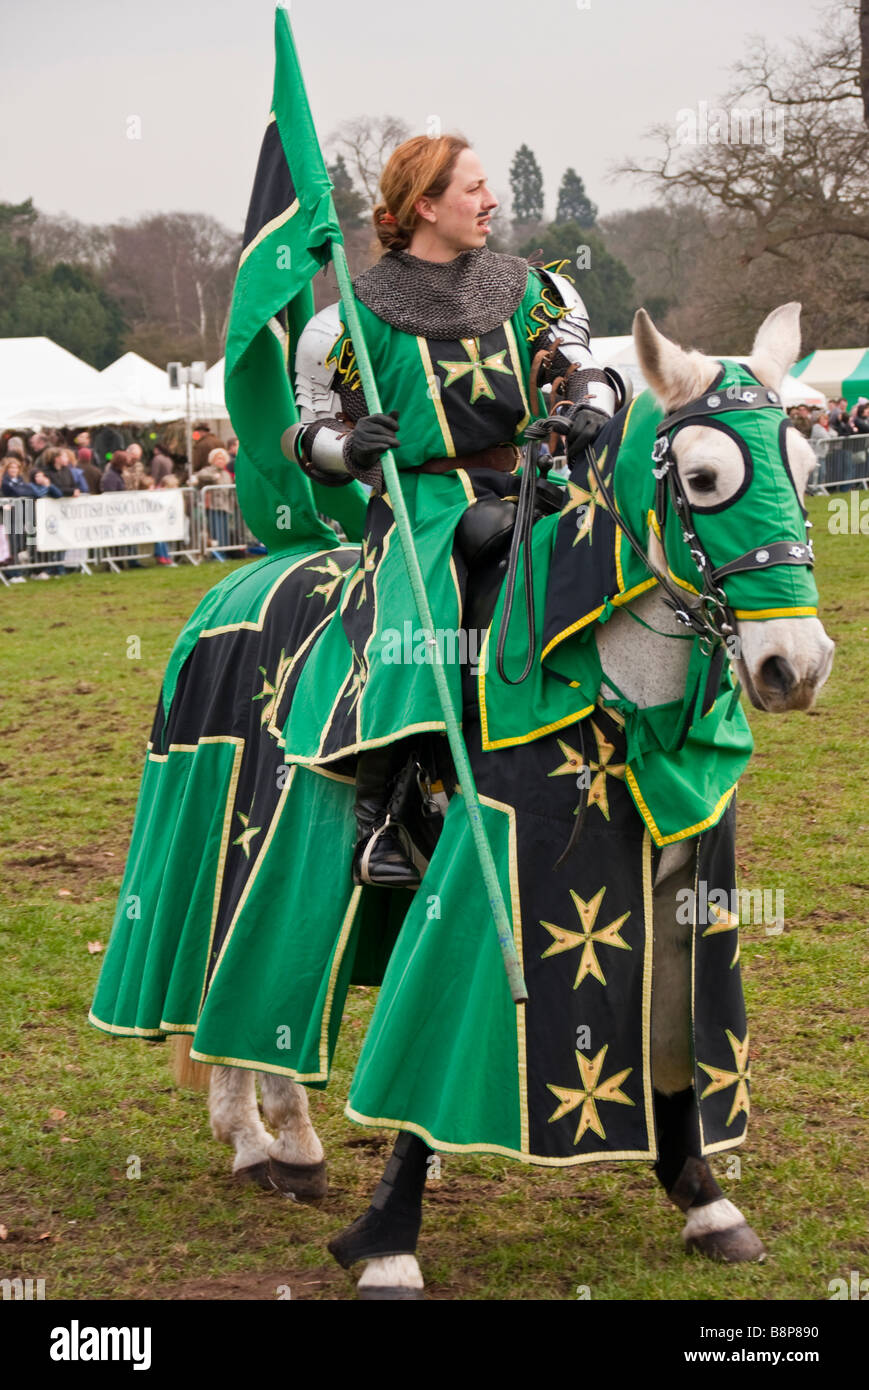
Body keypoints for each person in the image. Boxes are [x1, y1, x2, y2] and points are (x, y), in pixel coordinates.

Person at [282, 133, 620, 887]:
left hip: (532, 481)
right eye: (472, 189)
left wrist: (585, 409)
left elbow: (586, 370)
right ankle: (385, 818)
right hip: (422, 500)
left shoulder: (538, 290)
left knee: (626, 568)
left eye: (487, 186)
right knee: (420, 614)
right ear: (424, 206)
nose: (491, 201)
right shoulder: (343, 323)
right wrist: (353, 449)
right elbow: (306, 434)